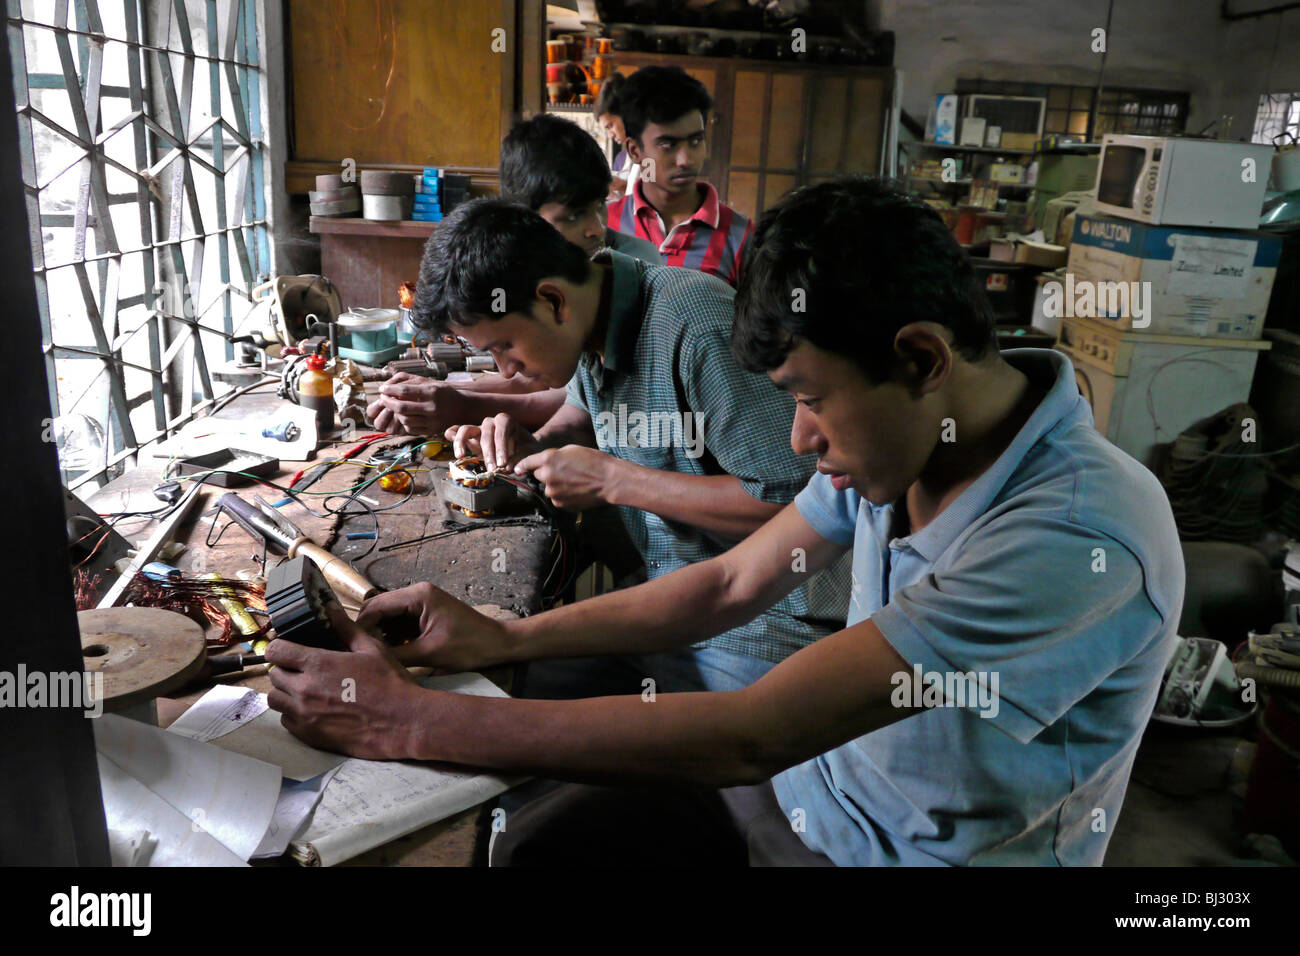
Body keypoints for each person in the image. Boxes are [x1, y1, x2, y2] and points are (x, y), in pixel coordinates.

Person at [267, 177, 1184, 867]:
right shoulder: (904, 446)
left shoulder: (1071, 536)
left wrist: (407, 724)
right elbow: (730, 581)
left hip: (886, 856)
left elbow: (756, 731)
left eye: (810, 400)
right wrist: (502, 639)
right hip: (810, 798)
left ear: (920, 358)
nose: (797, 439)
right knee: (535, 843)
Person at [424, 198, 848, 698]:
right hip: (673, 600)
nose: (506, 371)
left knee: (539, 725)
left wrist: (613, 480)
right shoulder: (593, 319)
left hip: (767, 620)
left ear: (553, 301)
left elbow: (801, 506)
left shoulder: (694, 327)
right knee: (504, 685)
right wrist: (528, 444)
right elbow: (581, 421)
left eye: (503, 347)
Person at [367, 116, 657, 437]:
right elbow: (539, 379)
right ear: (521, 221)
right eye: (571, 216)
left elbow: (568, 397)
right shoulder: (531, 281)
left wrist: (462, 403)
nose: (597, 229)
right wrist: (438, 392)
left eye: (599, 204)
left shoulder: (623, 269)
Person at [606, 66, 753, 287]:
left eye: (695, 141)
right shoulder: (604, 225)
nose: (685, 160)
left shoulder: (740, 236)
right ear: (635, 151)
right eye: (668, 144)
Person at [594, 73, 635, 199]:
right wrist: (622, 186)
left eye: (610, 125)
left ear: (626, 113)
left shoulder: (650, 155)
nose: (610, 135)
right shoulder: (622, 158)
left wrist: (622, 189)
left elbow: (652, 199)